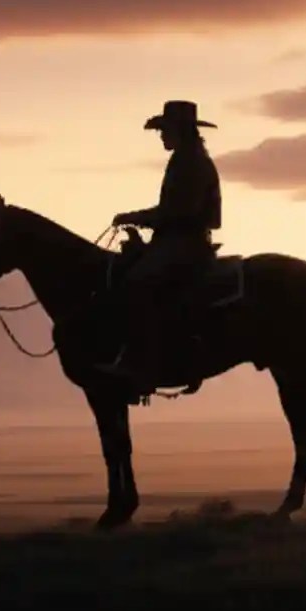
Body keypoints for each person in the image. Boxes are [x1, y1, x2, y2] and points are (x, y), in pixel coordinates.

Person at [102, 100, 222, 399]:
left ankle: (141, 366)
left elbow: (176, 212)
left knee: (136, 283)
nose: (162, 136)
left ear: (179, 131)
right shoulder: (187, 159)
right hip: (179, 239)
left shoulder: (190, 163)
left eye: (165, 130)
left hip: (185, 243)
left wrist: (136, 218)